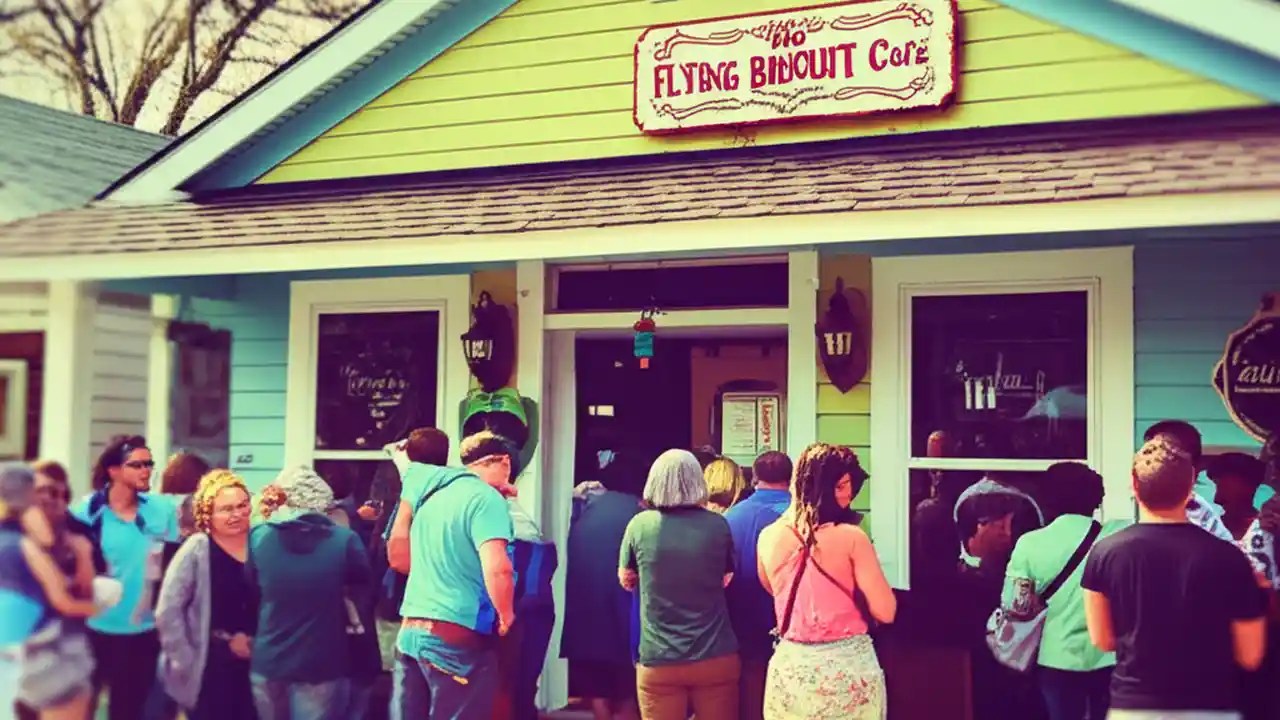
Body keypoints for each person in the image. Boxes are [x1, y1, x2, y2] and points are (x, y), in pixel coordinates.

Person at [1082, 437, 1268, 718]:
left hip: (1134, 706)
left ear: (1134, 484)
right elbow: (1250, 655)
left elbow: (1103, 640)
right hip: (1212, 706)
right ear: (1191, 487)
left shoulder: (1105, 553)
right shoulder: (1230, 558)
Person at [756, 443, 895, 720]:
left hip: (791, 669)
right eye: (842, 486)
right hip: (846, 670)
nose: (849, 495)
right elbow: (885, 611)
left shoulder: (769, 537)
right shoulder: (852, 538)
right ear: (822, 487)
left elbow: (772, 589)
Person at [389, 439, 516, 720]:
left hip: (410, 635)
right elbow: (499, 568)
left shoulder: (433, 496)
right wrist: (506, 616)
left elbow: (400, 561)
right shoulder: (486, 499)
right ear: (503, 462)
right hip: (454, 638)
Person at [619, 449, 739, 720]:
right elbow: (727, 579)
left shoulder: (639, 525)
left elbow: (626, 580)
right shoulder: (718, 525)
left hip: (658, 658)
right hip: (715, 655)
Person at [1003, 462, 1129, 720]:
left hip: (1056, 656)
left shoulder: (1031, 544)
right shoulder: (1120, 535)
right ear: (1096, 498)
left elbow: (1016, 605)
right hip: (1109, 654)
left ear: (1047, 499)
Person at [247, 466, 372, 720]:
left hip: (268, 659)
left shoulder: (259, 537)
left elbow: (250, 584)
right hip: (321, 661)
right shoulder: (345, 541)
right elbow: (362, 580)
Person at [72, 435, 181, 720]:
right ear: (114, 470)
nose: (146, 470)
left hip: (144, 633)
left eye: (149, 464)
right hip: (93, 630)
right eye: (137, 465)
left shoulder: (162, 510)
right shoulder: (86, 513)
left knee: (128, 711)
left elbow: (174, 568)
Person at [154, 469, 257, 719]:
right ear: (207, 514)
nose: (236, 514)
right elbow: (168, 610)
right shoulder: (198, 549)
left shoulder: (261, 543)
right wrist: (186, 662)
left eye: (242, 505)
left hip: (259, 666)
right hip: (210, 667)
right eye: (226, 509)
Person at [1, 463, 101, 720]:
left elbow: (82, 590)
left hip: (46, 650)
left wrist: (83, 555)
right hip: (45, 657)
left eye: (54, 493)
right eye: (39, 491)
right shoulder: (21, 543)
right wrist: (100, 608)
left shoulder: (75, 533)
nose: (46, 498)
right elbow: (66, 601)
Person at [562, 451, 646, 720]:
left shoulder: (584, 509)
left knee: (597, 687)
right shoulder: (639, 514)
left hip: (585, 616)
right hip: (623, 618)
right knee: (628, 690)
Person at [722, 450, 792, 720]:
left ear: (754, 479)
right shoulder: (802, 515)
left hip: (744, 621)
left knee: (751, 692)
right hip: (794, 624)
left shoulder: (731, 519)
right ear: (791, 477)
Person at [1142, 420, 1234, 541]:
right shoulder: (1146, 503)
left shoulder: (1202, 516)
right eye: (1150, 452)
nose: (1158, 460)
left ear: (1194, 467)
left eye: (1169, 454)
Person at [1209, 453, 1266, 541]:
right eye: (1218, 486)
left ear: (1248, 486)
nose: (1217, 500)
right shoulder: (1210, 529)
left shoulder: (1269, 532)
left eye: (1224, 486)